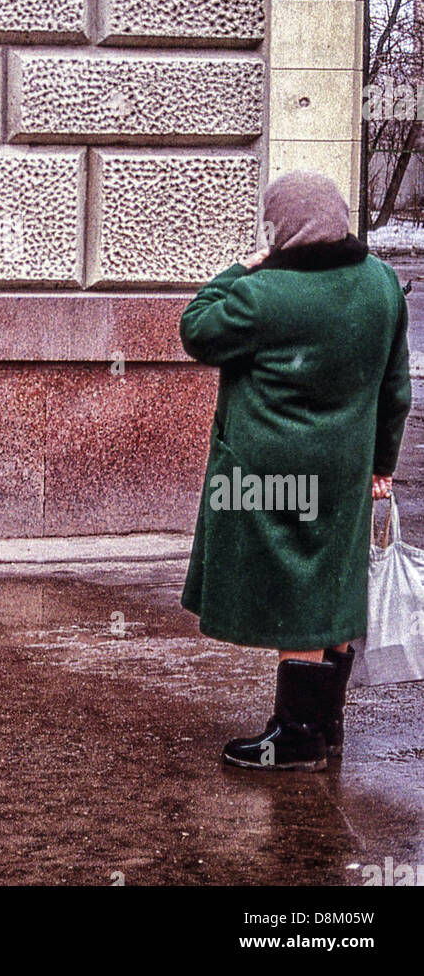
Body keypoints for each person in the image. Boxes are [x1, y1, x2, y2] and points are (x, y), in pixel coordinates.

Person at [180, 171, 411, 771]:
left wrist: (240, 267)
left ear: (281, 227)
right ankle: (324, 724)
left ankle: (295, 737)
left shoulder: (266, 292)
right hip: (346, 467)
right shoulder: (383, 284)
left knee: (297, 589)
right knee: (333, 580)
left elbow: (197, 330)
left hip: (273, 468)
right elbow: (397, 391)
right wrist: (381, 464)